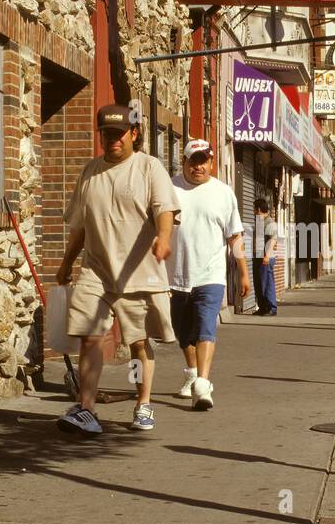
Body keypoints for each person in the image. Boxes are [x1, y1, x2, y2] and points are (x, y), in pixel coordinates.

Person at [56, 104, 180, 437]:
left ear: (134, 134)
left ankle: (143, 403)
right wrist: (67, 263)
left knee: (138, 342)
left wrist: (164, 239)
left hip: (138, 270)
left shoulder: (149, 167)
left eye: (118, 134)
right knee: (90, 336)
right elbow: (80, 226)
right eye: (106, 134)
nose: (112, 140)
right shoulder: (90, 172)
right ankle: (87, 409)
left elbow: (164, 209)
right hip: (96, 271)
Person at [169, 139, 250, 410]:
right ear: (184, 162)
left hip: (211, 275)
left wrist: (243, 273)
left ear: (212, 162)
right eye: (193, 160)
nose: (198, 166)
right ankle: (192, 373)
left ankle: (202, 385)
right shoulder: (170, 188)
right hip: (176, 275)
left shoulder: (223, 193)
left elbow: (234, 236)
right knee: (183, 332)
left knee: (205, 327)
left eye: (203, 160)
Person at [252, 196, 279, 316]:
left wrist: (267, 256)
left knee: (266, 283)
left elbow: (272, 240)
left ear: (258, 209)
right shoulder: (260, 222)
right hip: (258, 257)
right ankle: (263, 307)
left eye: (254, 209)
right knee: (259, 283)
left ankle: (270, 308)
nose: (253, 211)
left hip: (265, 258)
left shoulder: (269, 223)